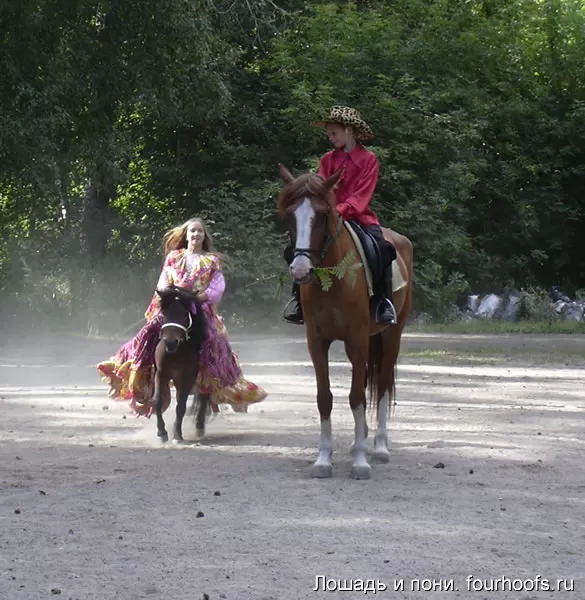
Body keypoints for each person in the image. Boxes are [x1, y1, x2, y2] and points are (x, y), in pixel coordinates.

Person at [97, 217, 267, 418]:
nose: (196, 235)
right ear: (186, 236)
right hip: (175, 305)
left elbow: (217, 287)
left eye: (200, 231)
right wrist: (172, 295)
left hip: (200, 308)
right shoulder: (174, 257)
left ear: (204, 236)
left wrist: (198, 297)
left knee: (214, 341)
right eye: (192, 231)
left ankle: (218, 383)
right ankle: (144, 382)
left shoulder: (212, 261)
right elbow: (163, 282)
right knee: (147, 334)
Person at [282, 105, 398, 325]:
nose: (330, 137)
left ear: (349, 131)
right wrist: (326, 212)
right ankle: (299, 300)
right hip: (327, 218)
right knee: (295, 248)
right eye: (329, 134)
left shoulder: (369, 160)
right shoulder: (327, 160)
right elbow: (319, 192)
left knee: (383, 249)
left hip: (359, 218)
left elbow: (362, 196)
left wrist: (340, 210)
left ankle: (383, 303)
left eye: (334, 133)